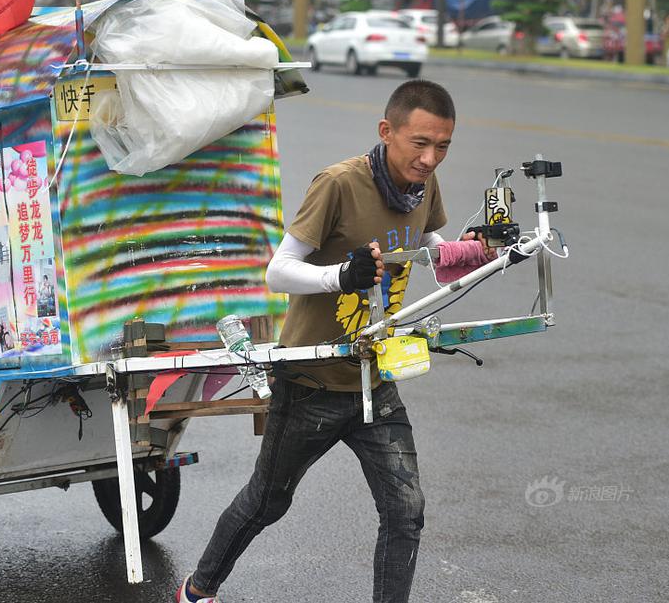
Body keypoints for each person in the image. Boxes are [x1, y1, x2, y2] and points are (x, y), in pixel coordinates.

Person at [177, 80, 494, 603]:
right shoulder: (339, 184)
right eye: (420, 143)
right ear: (386, 132)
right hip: (310, 381)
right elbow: (279, 272)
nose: (430, 158)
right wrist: (339, 277)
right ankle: (198, 589)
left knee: (405, 513)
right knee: (267, 502)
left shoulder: (423, 188)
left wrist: (487, 251)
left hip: (375, 380)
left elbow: (437, 258)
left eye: (442, 146)